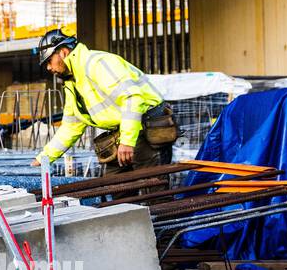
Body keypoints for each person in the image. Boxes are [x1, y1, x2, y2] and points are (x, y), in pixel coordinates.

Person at [29, 30, 178, 175]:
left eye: (49, 61)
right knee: (116, 186)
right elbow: (71, 127)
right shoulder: (73, 81)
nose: (49, 67)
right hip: (127, 132)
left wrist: (127, 141)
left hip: (146, 127)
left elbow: (131, 97)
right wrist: (44, 158)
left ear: (63, 52)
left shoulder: (96, 63)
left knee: (152, 188)